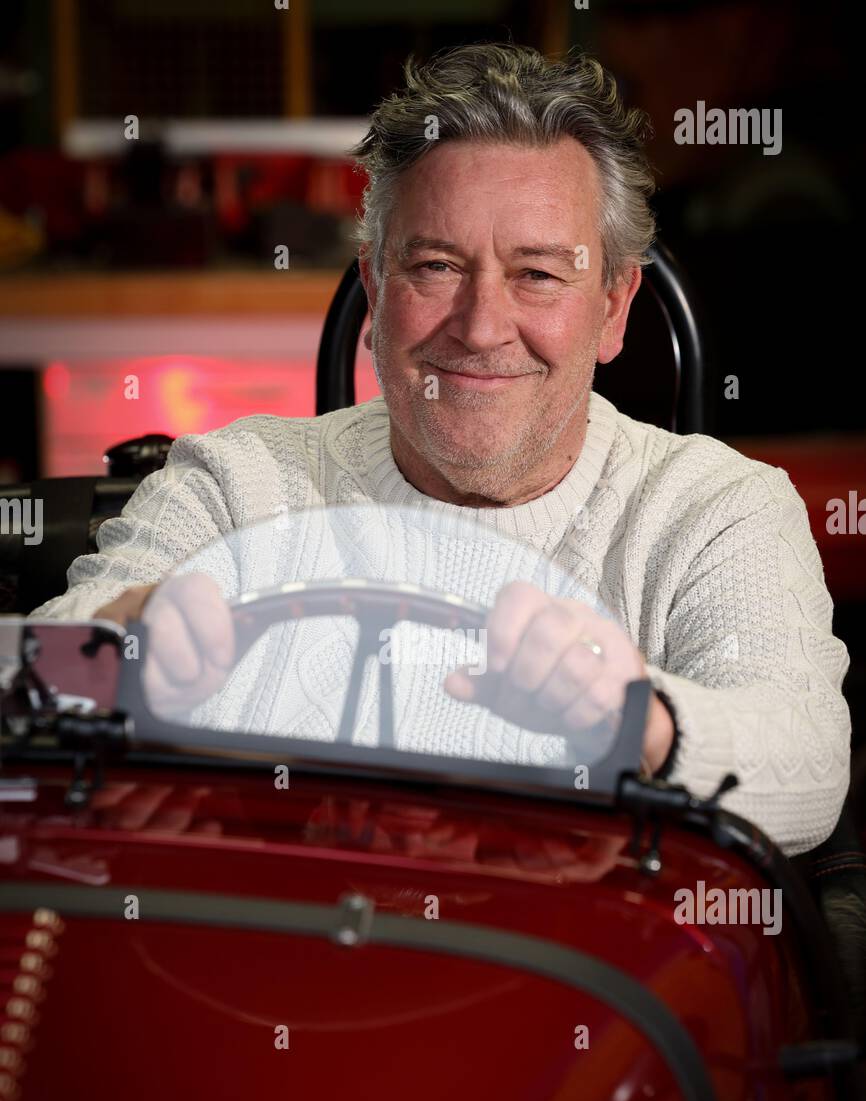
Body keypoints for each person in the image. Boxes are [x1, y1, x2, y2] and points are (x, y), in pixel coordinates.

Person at [30, 42, 849, 857]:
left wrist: (640, 720)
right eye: (435, 266)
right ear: (378, 287)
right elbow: (32, 681)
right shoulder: (241, 481)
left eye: (536, 274)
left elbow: (807, 772)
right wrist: (113, 663)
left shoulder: (713, 509)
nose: (481, 327)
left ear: (613, 307)